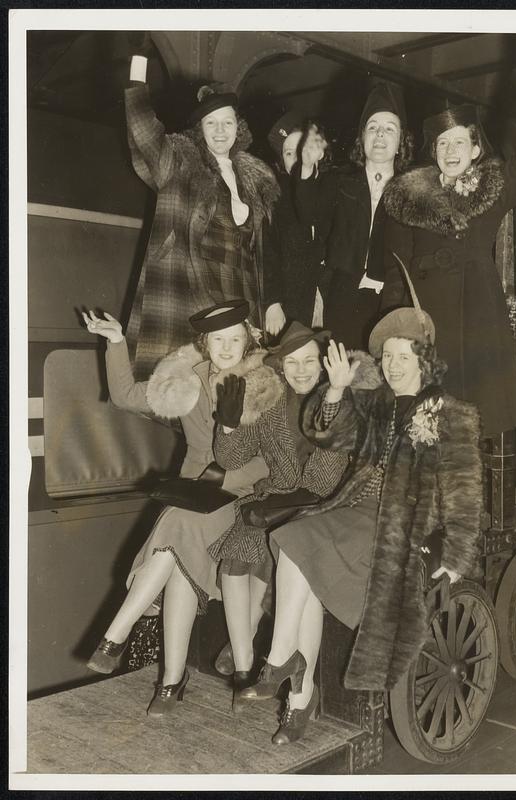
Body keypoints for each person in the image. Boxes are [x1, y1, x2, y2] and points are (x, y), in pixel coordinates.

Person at [236, 290, 483, 745]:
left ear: (423, 358)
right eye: (386, 355)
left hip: (406, 525)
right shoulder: (375, 404)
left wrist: (454, 557)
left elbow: (465, 497)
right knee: (294, 541)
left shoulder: (453, 415)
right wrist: (335, 387)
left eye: (401, 354)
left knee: (301, 554)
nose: (392, 364)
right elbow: (324, 434)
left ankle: (291, 686)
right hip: (358, 508)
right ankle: (286, 670)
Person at [83, 301, 279, 717]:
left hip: (246, 494)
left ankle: (120, 639)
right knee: (178, 553)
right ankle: (170, 680)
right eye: (218, 339)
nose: (226, 347)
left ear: (248, 341)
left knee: (176, 530)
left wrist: (231, 480)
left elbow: (274, 455)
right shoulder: (187, 381)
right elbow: (125, 396)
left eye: (235, 339)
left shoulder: (265, 383)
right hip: (195, 491)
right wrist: (117, 342)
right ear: (204, 343)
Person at [381, 35, 516, 437]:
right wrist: (399, 329)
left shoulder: (492, 190)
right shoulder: (408, 198)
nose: (451, 150)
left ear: (474, 149)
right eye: (443, 143)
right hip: (427, 321)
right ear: (434, 152)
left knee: (473, 426)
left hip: (477, 318)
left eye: (460, 142)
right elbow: (397, 270)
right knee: (424, 429)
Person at [208, 322, 370, 711]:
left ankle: (266, 664)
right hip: (278, 500)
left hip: (322, 505)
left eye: (309, 361)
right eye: (292, 362)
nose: (300, 370)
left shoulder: (342, 403)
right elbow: (230, 459)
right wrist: (228, 425)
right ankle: (246, 667)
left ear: (324, 365)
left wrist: (335, 392)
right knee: (235, 554)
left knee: (280, 545)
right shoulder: (270, 404)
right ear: (280, 367)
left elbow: (322, 479)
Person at [124, 46, 280, 379]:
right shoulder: (181, 162)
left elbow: (256, 253)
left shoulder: (253, 177)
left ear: (239, 127)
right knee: (194, 384)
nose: (221, 130)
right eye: (212, 122)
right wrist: (138, 71)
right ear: (200, 128)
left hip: (244, 296)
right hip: (196, 289)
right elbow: (145, 133)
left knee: (240, 385)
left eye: (228, 122)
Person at [322, 81, 414, 349]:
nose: (380, 135)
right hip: (340, 299)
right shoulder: (338, 183)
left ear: (400, 142)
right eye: (373, 128)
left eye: (389, 129)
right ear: (362, 138)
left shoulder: (411, 191)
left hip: (388, 303)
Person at [263, 112, 332, 332]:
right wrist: (272, 303)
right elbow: (267, 251)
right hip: (291, 299)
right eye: (289, 153)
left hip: (329, 295)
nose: (298, 158)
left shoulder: (335, 188)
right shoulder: (275, 197)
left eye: (303, 150)